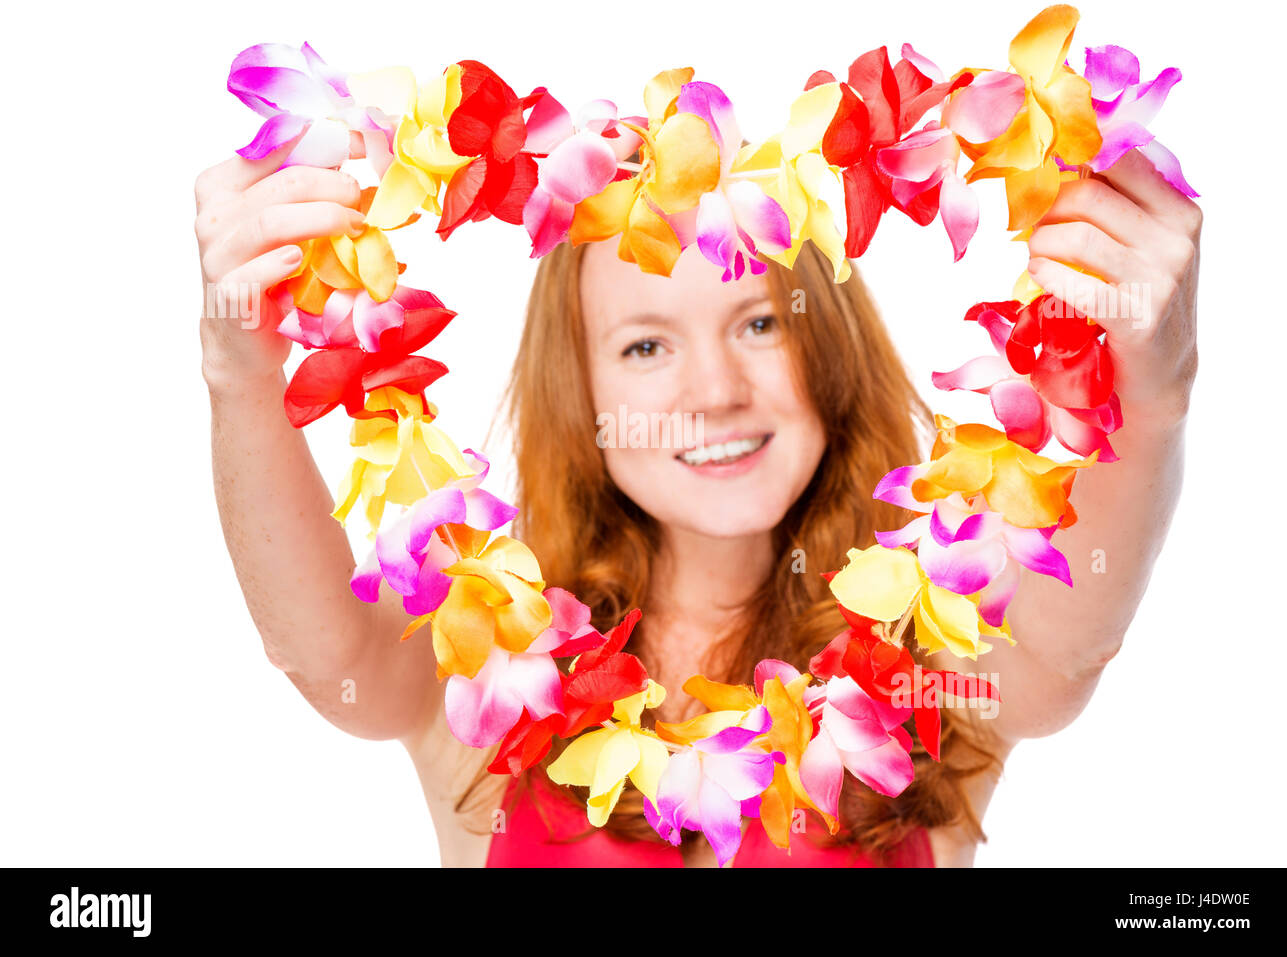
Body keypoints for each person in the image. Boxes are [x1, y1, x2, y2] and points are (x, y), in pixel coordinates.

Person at [193, 132, 1201, 867]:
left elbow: (1067, 649)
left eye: (759, 322)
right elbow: (326, 656)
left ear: (828, 348)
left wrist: (1151, 392)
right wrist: (241, 379)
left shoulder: (929, 668)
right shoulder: (486, 663)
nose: (714, 390)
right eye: (644, 344)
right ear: (581, 392)